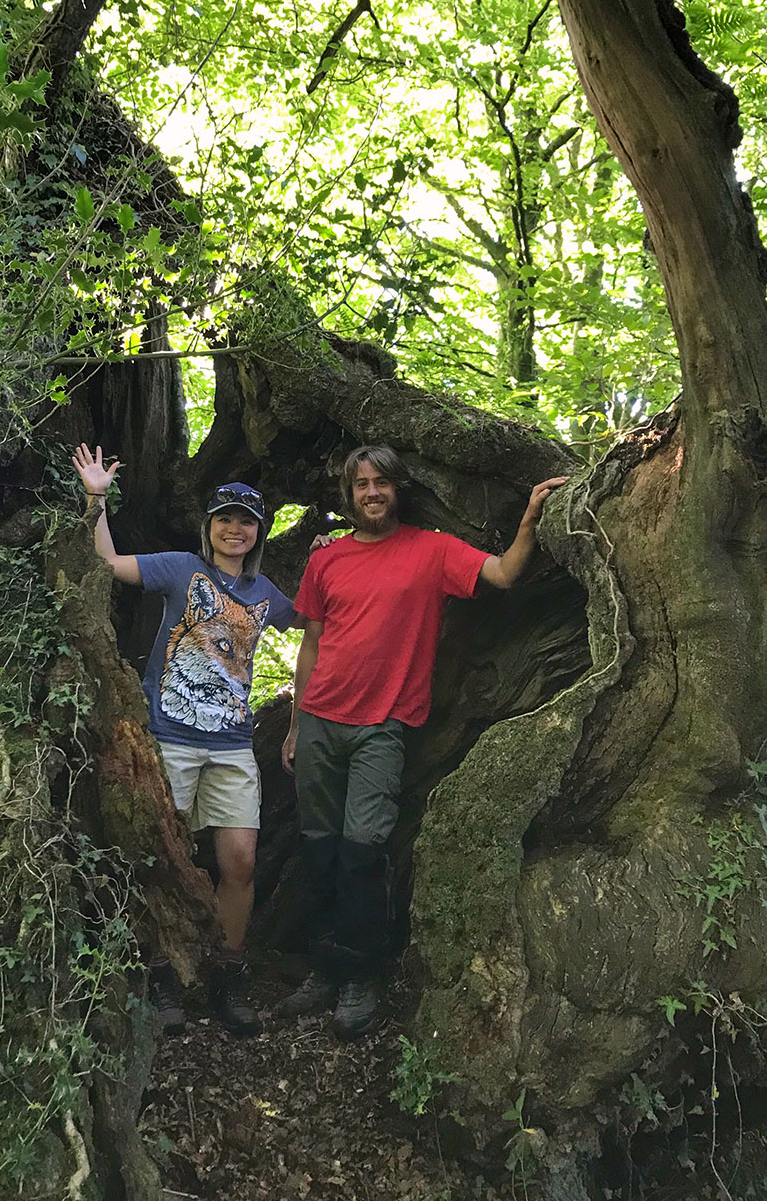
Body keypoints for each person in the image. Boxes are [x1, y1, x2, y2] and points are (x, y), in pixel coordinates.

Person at [279, 444, 567, 1039]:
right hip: (319, 722)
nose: (371, 493)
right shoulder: (326, 561)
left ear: (397, 489)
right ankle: (325, 969)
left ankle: (361, 975)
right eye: (361, 484)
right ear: (349, 494)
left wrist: (531, 518)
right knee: (320, 849)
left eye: (381, 483)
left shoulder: (431, 549)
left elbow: (505, 573)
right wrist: (296, 722)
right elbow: (311, 646)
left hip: (382, 726)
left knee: (364, 848)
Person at [72, 444, 298, 1037]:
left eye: (246, 521)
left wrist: (330, 555)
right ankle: (161, 974)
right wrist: (97, 497)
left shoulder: (266, 594)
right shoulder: (181, 568)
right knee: (161, 857)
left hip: (231, 743)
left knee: (239, 861)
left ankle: (227, 973)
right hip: (169, 735)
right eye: (224, 518)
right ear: (209, 527)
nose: (234, 529)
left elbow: (317, 618)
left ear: (259, 532)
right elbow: (107, 563)